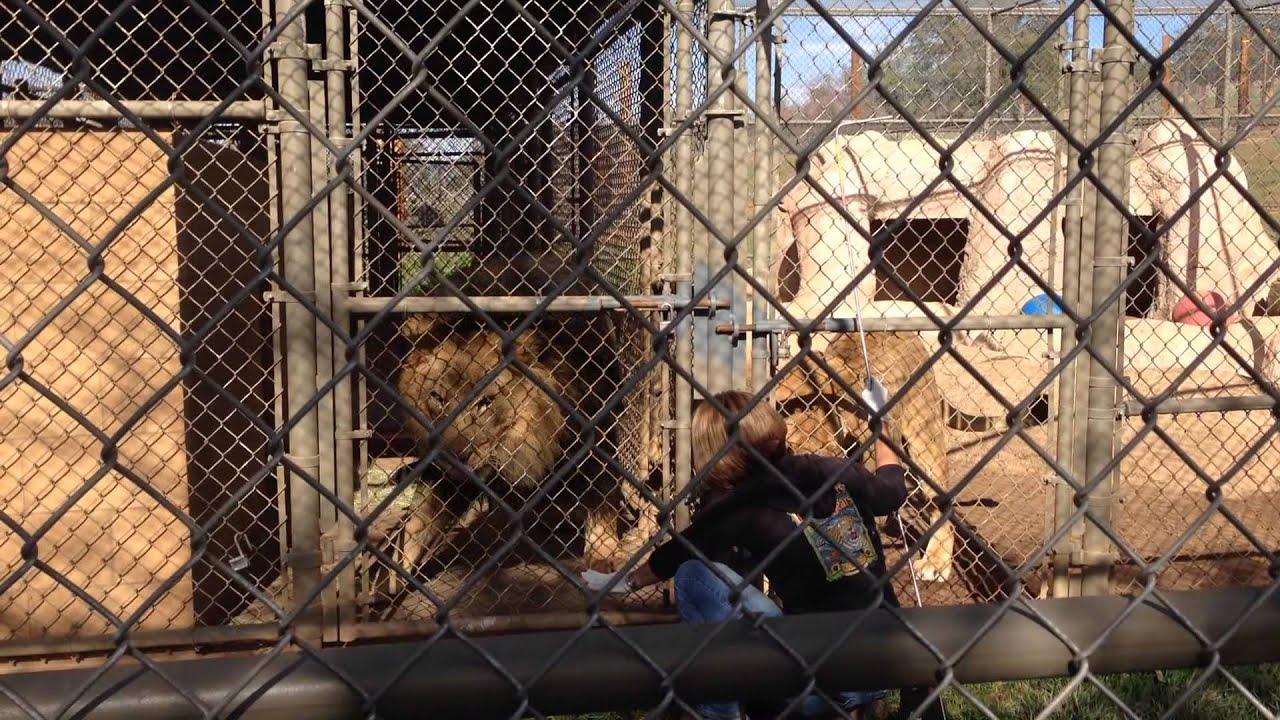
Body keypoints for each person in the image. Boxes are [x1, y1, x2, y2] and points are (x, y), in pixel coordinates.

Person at [583, 382, 931, 719]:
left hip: (817, 682)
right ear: (776, 433)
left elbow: (673, 556)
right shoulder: (838, 469)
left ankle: (718, 710)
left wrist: (621, 582)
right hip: (886, 660)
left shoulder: (739, 508)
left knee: (693, 575)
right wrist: (880, 419)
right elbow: (892, 489)